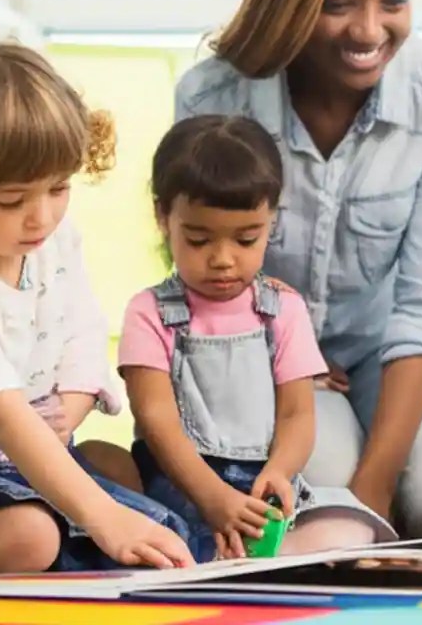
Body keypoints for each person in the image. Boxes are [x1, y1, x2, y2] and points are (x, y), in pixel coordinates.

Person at [173, 0, 422, 541]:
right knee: (323, 493)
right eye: (339, 3)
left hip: (396, 348)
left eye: (393, 1)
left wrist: (378, 483)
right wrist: (283, 350)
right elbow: (203, 264)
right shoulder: (211, 98)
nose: (370, 29)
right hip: (262, 348)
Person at [0, 42, 194, 573]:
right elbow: (4, 418)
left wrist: (73, 399)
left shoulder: (52, 237)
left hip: (39, 450)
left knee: (156, 520)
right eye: (11, 200)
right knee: (32, 538)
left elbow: (82, 325)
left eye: (59, 188)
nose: (40, 217)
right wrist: (104, 518)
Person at [118, 115, 396, 562]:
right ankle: (203, 550)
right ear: (162, 217)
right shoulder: (148, 312)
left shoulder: (282, 309)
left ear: (271, 219)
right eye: (198, 239)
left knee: (349, 524)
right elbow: (157, 423)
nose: (223, 260)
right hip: (181, 483)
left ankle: (245, 552)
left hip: (263, 486)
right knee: (137, 509)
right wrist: (212, 499)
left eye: (247, 239)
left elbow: (297, 414)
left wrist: (280, 473)